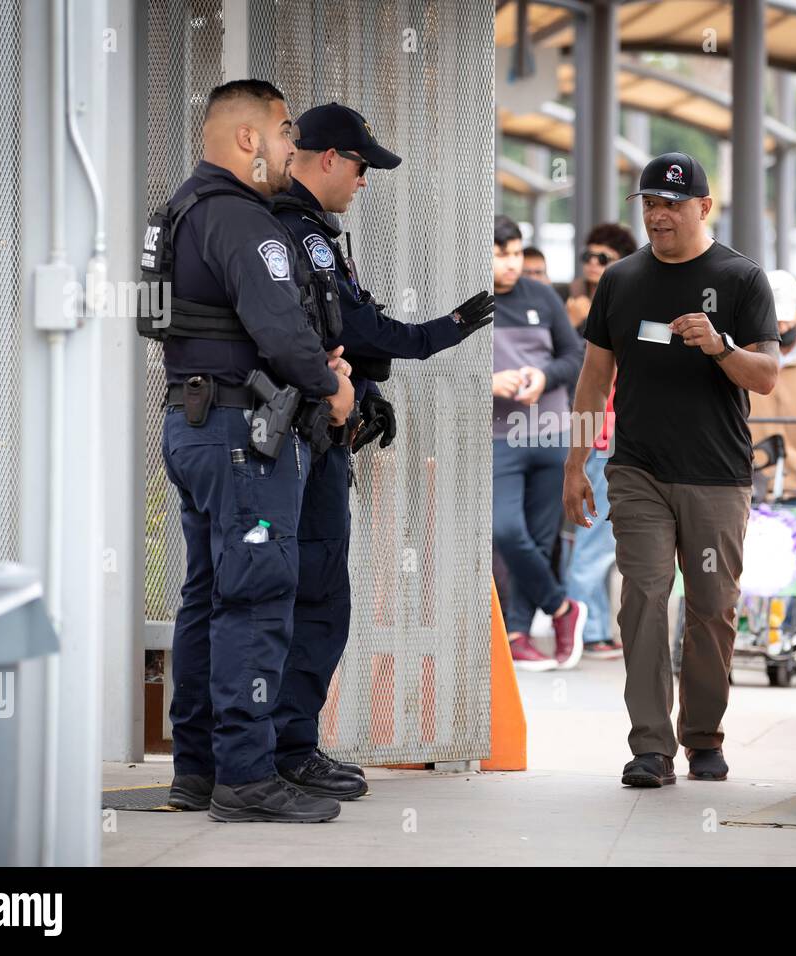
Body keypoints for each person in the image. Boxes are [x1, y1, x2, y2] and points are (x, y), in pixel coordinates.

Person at [264, 102, 493, 800]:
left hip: (304, 436)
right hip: (301, 444)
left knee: (288, 594)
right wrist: (443, 330)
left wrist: (364, 393)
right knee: (317, 597)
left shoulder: (294, 229)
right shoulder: (300, 235)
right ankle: (288, 749)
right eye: (362, 168)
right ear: (330, 158)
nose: (365, 182)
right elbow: (357, 327)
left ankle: (273, 747)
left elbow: (336, 337)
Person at [140, 80, 355, 823]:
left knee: (209, 597)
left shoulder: (180, 210)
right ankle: (245, 778)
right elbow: (279, 329)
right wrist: (333, 388)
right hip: (241, 439)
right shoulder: (239, 217)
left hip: (196, 427)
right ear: (246, 139)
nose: (292, 148)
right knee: (257, 598)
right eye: (285, 132)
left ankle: (196, 771)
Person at [562, 152, 780, 787]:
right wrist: (578, 464)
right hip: (637, 470)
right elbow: (593, 378)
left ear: (704, 208)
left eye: (672, 206)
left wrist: (720, 346)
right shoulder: (622, 281)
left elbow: (765, 377)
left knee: (711, 608)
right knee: (645, 599)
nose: (658, 216)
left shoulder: (742, 279)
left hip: (716, 474)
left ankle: (703, 735)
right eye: (650, 204)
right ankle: (651, 747)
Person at [491, 214, 587, 671]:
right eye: (500, 254)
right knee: (506, 531)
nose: (510, 264)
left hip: (551, 434)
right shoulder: (471, 304)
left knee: (541, 536)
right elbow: (444, 367)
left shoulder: (544, 298)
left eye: (514, 253)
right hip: (498, 437)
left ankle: (518, 633)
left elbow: (575, 356)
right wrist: (488, 380)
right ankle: (562, 609)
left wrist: (543, 375)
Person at [561, 222, 637, 658]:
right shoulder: (573, 308)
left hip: (616, 432)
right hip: (597, 435)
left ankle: (590, 627)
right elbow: (579, 374)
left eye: (602, 259)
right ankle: (585, 630)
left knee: (603, 538)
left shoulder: (619, 302)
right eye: (587, 257)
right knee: (593, 538)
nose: (592, 265)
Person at [748, 270, 796, 504]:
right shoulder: (743, 357)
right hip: (751, 487)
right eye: (771, 318)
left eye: (784, 317)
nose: (780, 326)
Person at [565, 223, 638, 335]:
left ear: (624, 262)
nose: (593, 262)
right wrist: (571, 321)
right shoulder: (566, 294)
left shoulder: (633, 300)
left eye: (603, 258)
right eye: (588, 256)